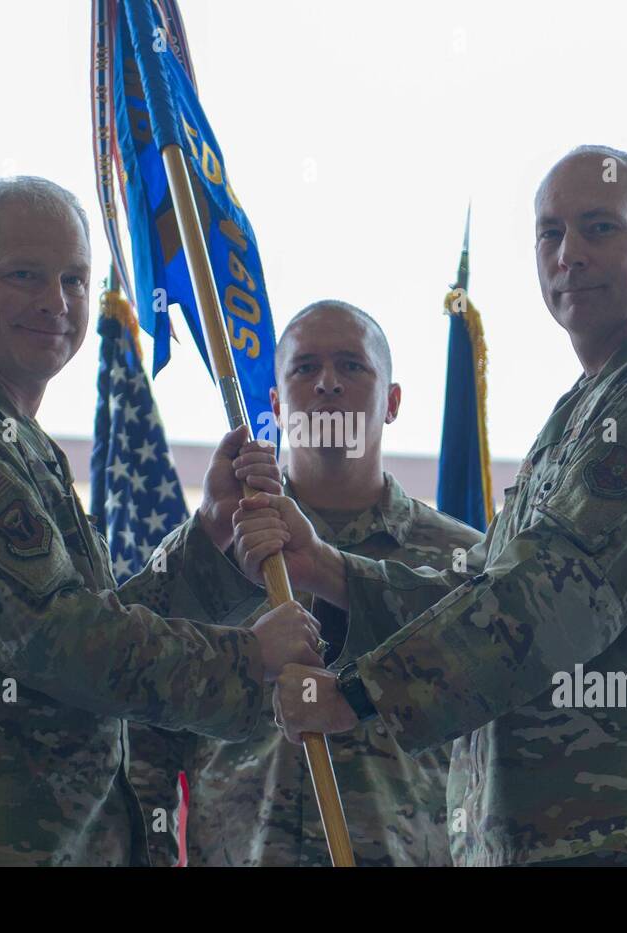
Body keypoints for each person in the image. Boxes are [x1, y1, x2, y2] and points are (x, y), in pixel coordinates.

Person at [235, 146, 627, 867]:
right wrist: (330, 569)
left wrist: (357, 694)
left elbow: (552, 596)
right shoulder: (586, 411)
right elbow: (481, 593)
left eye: (599, 229)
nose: (570, 254)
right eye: (550, 234)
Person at [0, 176, 319, 866]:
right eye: (24, 276)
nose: (54, 304)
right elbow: (57, 642)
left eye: (73, 280)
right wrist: (249, 658)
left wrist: (210, 534)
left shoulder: (13, 440)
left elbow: (95, 617)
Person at [130, 301, 482, 866]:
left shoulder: (460, 560)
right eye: (304, 369)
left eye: (351, 366)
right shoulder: (213, 556)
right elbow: (148, 749)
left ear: (391, 402)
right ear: (275, 403)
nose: (327, 385)